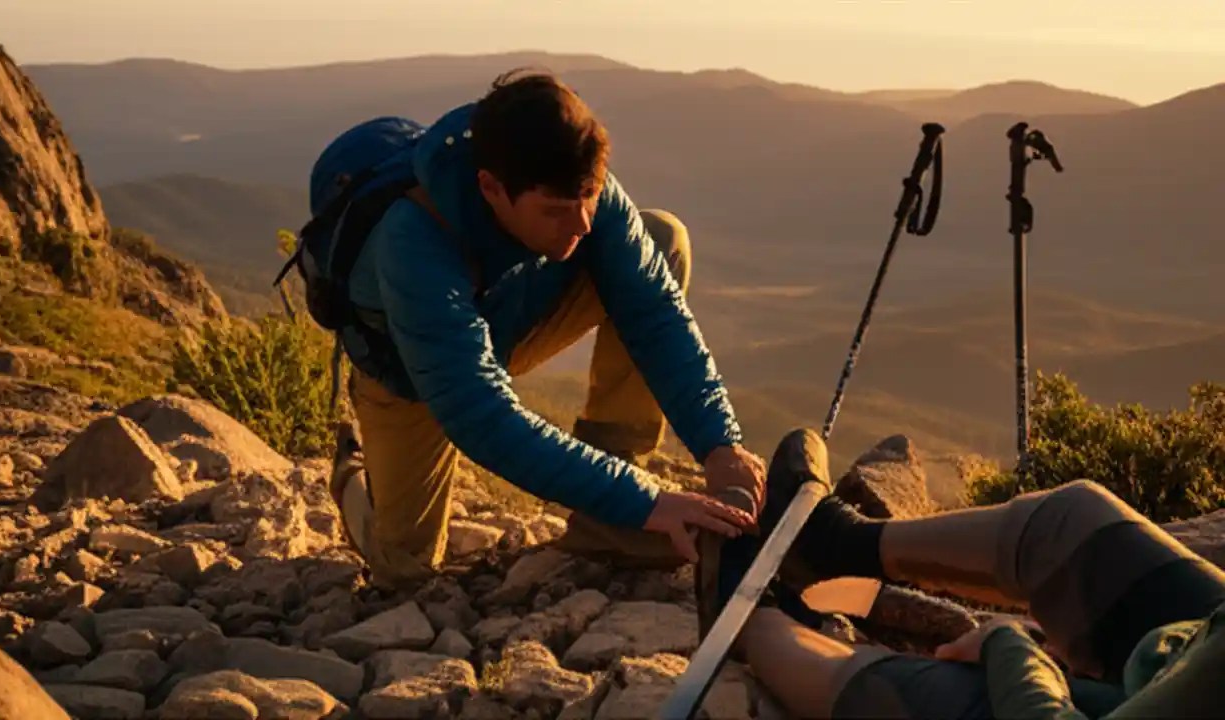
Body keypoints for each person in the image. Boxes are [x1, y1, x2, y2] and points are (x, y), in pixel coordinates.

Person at [323, 69, 765, 589]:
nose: (581, 223)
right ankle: (351, 477)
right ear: (491, 188)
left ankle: (611, 496)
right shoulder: (411, 241)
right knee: (406, 570)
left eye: (590, 197)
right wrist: (647, 502)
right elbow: (479, 415)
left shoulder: (574, 183)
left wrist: (720, 444)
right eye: (555, 211)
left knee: (660, 239)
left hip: (507, 322)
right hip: (415, 372)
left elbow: (654, 313)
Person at [697, 428, 1225, 718]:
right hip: (1195, 643)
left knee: (955, 698)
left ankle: (749, 617)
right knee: (1075, 523)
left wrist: (1005, 643)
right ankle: (833, 545)